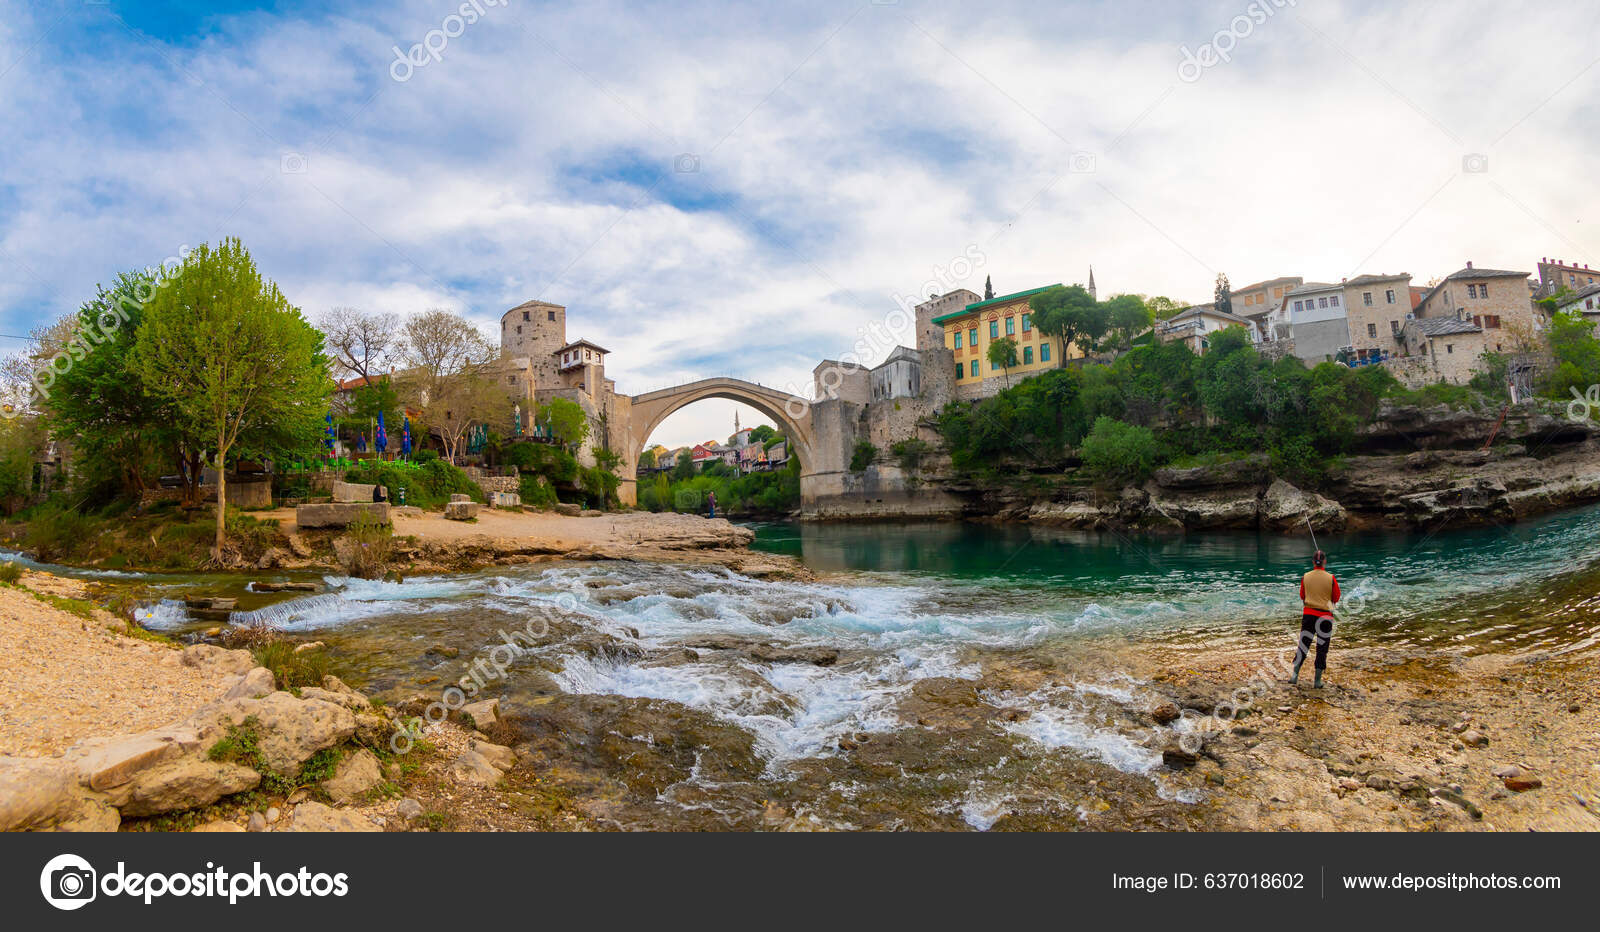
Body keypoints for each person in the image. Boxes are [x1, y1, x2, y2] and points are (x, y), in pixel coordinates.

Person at [1290, 549, 1340, 688]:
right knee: (1322, 648)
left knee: (1303, 645)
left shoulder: (1305, 576)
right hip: (1325, 617)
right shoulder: (1331, 578)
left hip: (1308, 616)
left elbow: (1302, 596)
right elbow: (1336, 598)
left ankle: (1294, 675)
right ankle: (1317, 681)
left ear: (1313, 562)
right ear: (1325, 561)